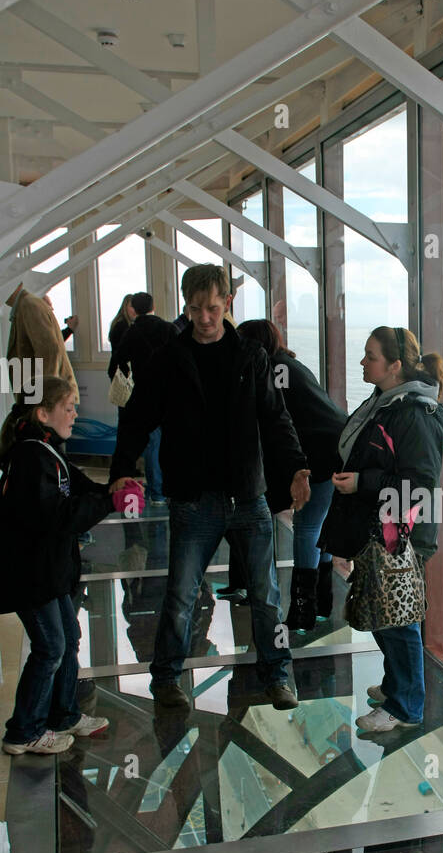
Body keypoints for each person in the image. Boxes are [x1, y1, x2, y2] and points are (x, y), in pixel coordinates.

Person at [108, 263, 312, 711]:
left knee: (266, 599)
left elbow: (275, 419)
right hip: (192, 501)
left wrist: (297, 468)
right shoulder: (167, 360)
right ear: (186, 304)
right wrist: (122, 468)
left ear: (228, 304)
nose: (204, 317)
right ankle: (165, 678)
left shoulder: (252, 357)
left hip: (248, 497)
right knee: (180, 595)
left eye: (213, 308)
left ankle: (278, 676)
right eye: (196, 309)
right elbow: (137, 418)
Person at [319, 326, 443, 732]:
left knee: (397, 620)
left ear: (395, 366)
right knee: (386, 613)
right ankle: (398, 686)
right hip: (381, 529)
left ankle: (405, 707)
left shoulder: (412, 413)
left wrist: (363, 482)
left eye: (370, 356)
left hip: (400, 535)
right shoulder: (387, 402)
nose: (363, 362)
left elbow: (418, 485)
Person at [0, 378, 114, 755]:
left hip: (51, 572)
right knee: (50, 648)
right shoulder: (31, 458)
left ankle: (63, 714)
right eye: (68, 407)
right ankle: (23, 731)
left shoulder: (48, 451)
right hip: (33, 575)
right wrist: (108, 504)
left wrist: (111, 490)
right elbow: (58, 517)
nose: (75, 414)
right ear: (43, 413)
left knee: (68, 639)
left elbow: (78, 485)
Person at [224, 318, 347, 631]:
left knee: (307, 527)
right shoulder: (289, 364)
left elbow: (274, 420)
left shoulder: (274, 369)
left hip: (321, 454)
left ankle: (303, 610)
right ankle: (321, 604)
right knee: (320, 528)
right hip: (337, 449)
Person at [112, 292, 173, 506]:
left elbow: (117, 363)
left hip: (141, 396)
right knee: (162, 443)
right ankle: (162, 491)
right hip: (167, 396)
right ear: (153, 305)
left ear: (134, 309)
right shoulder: (168, 328)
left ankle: (150, 493)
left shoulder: (132, 332)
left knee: (146, 445)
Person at [5, 283, 77, 401]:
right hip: (41, 397)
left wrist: (45, 398)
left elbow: (49, 352)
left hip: (50, 400)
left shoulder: (28, 305)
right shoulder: (24, 306)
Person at [106, 294, 136, 379]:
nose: (134, 310)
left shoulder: (123, 324)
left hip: (118, 370)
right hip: (120, 372)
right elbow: (122, 352)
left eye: (135, 307)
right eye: (131, 306)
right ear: (125, 307)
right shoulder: (122, 326)